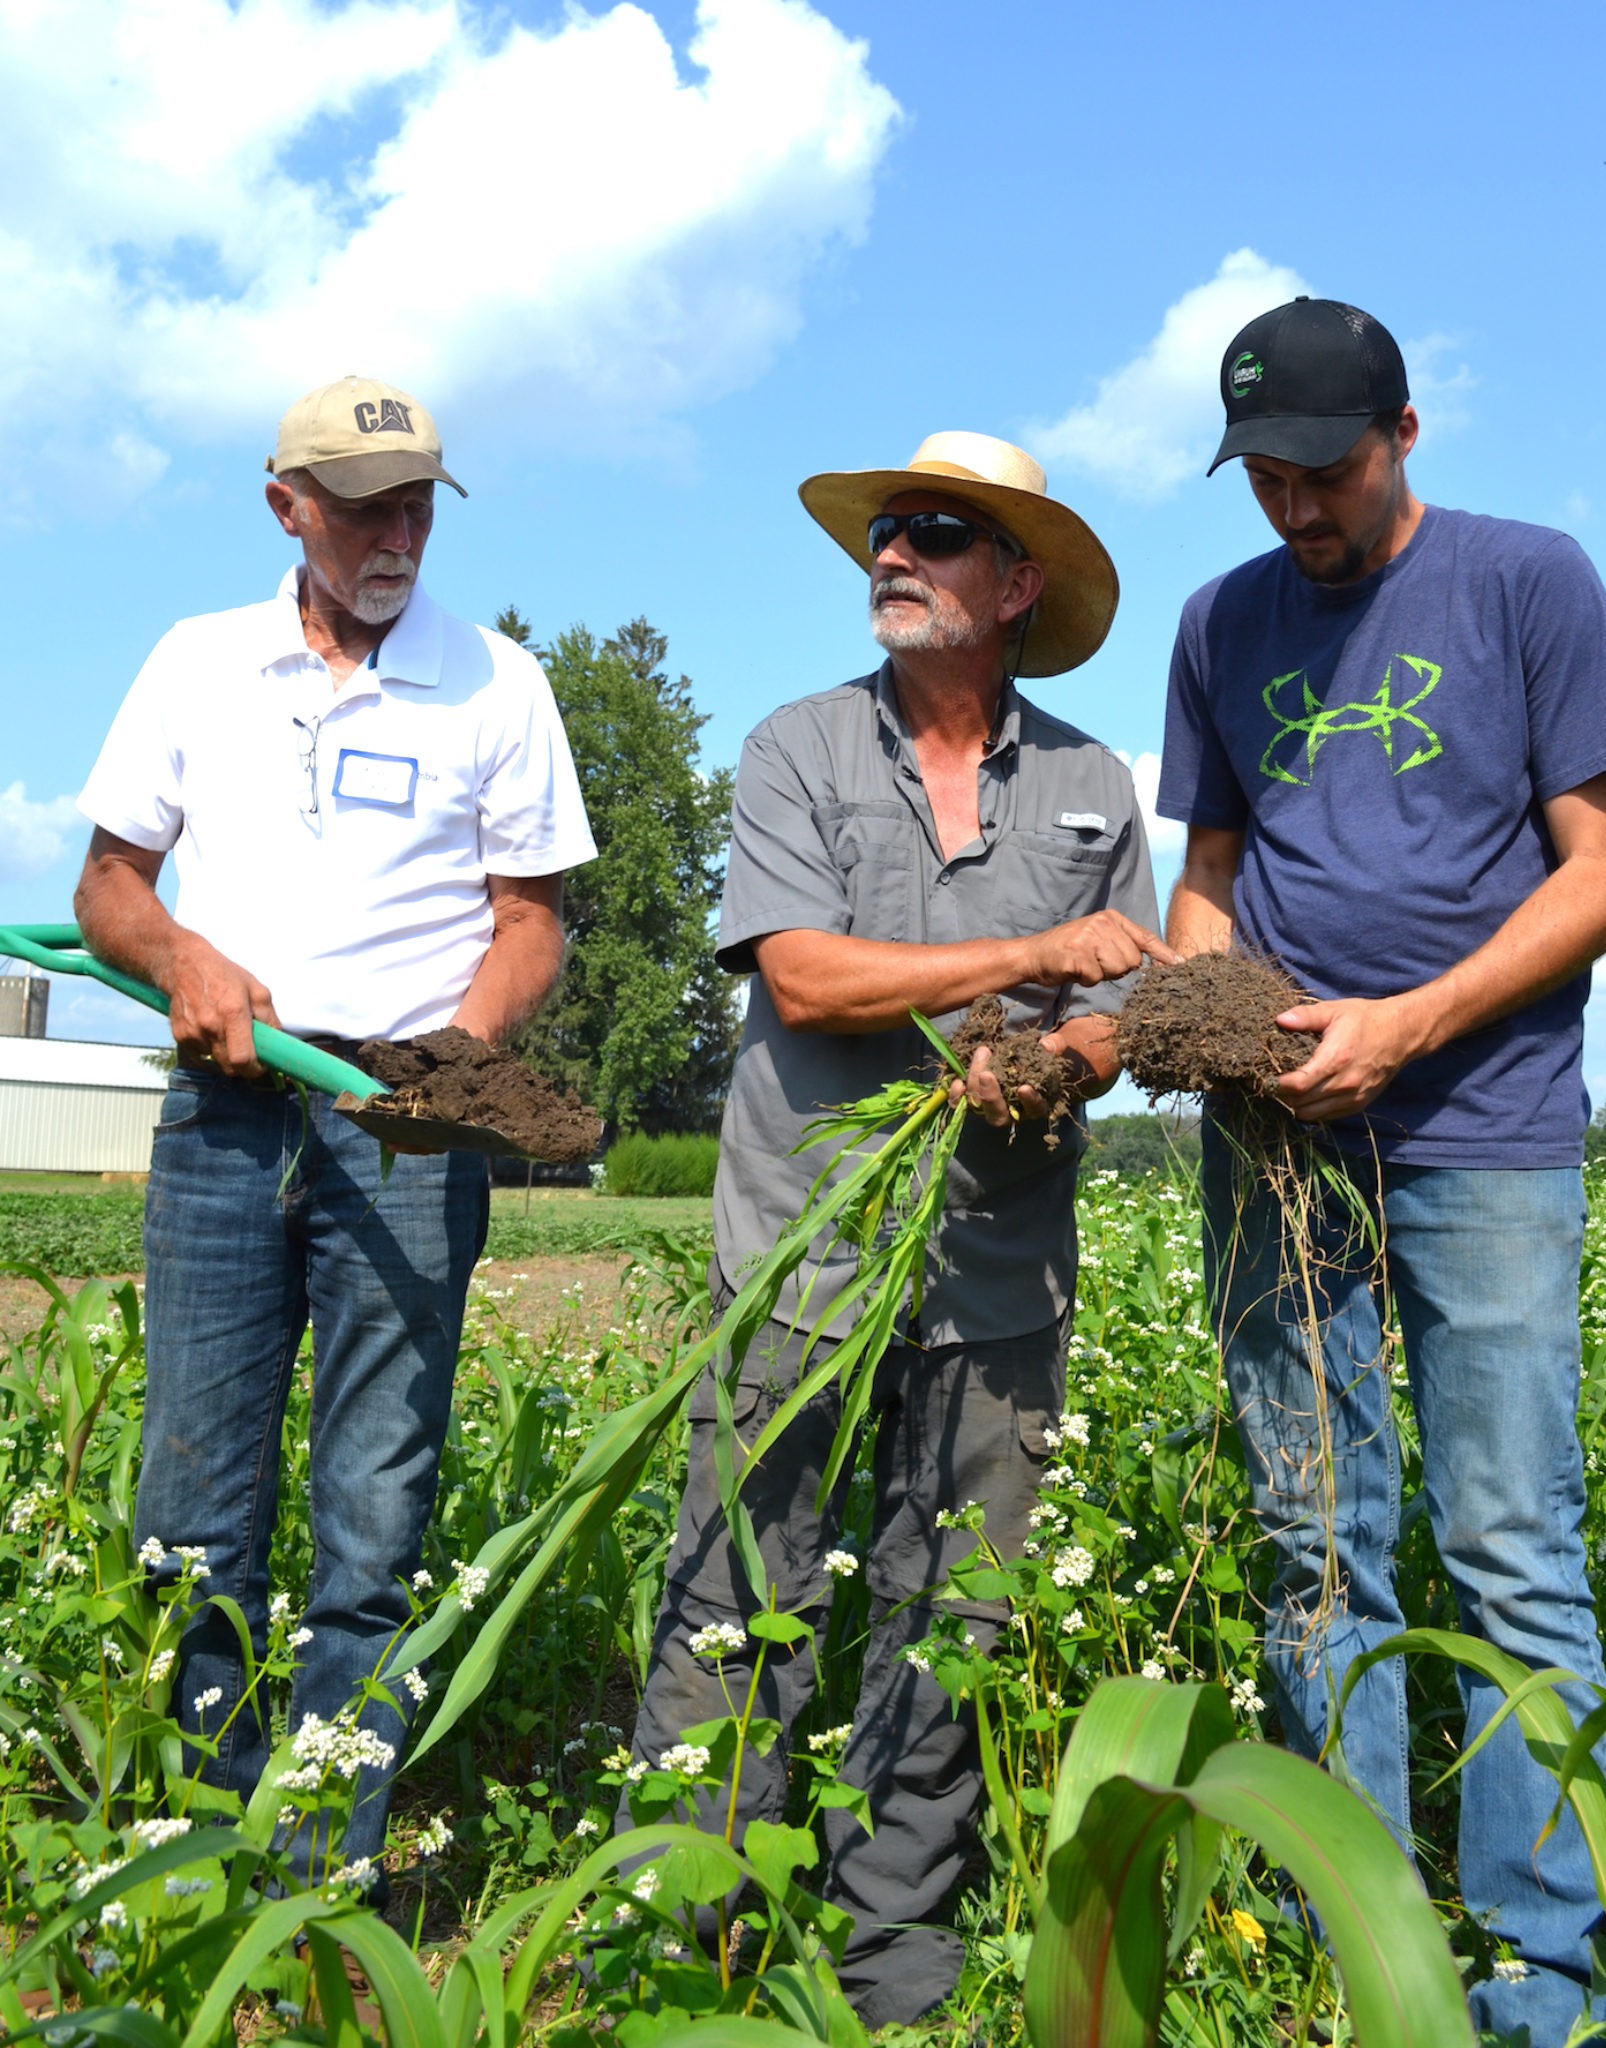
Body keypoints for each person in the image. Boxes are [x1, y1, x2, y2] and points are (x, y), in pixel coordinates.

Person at [1157, 297, 1606, 2043]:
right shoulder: (1218, 619)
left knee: (1510, 1535)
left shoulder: (1530, 583)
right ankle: (1360, 1932)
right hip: (1275, 1144)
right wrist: (1200, 1015)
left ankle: (1549, 1963)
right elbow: (1210, 873)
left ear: (1403, 434)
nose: (1293, 507)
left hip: (1483, 1124)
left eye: (1323, 469)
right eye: (1263, 477)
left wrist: (1411, 1019)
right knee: (1312, 1532)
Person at [624, 431, 1170, 2026]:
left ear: (1015, 584)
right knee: (735, 1588)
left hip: (997, 1271)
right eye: (884, 530)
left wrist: (1064, 1055)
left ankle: (895, 1946)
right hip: (805, 1253)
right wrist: (1026, 958)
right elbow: (803, 975)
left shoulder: (1089, 785)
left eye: (934, 534)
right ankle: (684, 1921)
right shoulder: (797, 746)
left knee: (952, 1607)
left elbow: (1124, 1006)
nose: (893, 554)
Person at [73, 376, 595, 1889]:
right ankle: (189, 1842)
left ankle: (317, 1864)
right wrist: (186, 961)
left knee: (374, 1511)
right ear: (283, 503)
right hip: (227, 1118)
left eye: (420, 502)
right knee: (190, 1506)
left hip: (407, 1132)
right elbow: (108, 887)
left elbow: (530, 923)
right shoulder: (197, 663)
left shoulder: (496, 682)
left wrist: (458, 1063)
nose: (399, 533)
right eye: (366, 504)